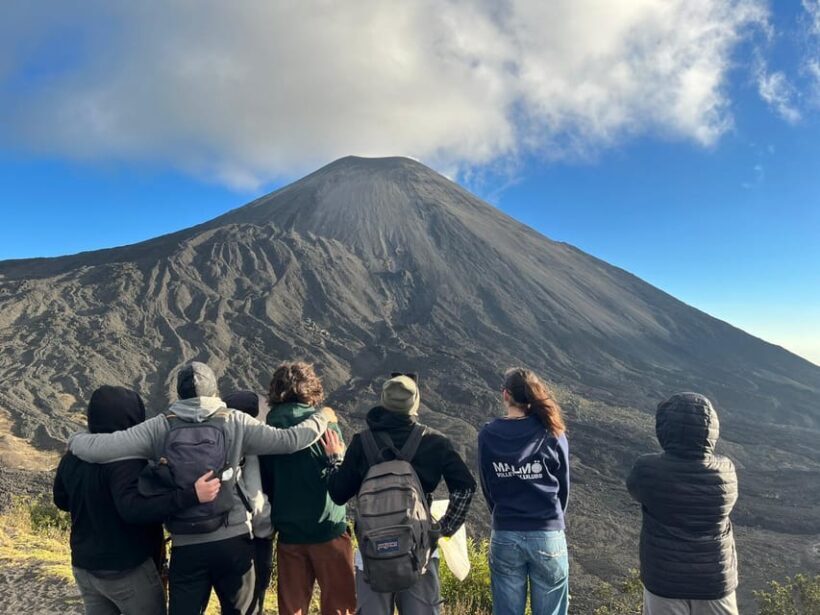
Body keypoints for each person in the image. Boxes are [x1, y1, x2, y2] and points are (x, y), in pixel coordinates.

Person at [69, 362, 334, 615]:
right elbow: (290, 440)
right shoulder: (235, 421)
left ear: (179, 393)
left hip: (187, 545)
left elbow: (106, 447)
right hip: (234, 541)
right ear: (215, 391)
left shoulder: (160, 426)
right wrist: (322, 416)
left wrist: (76, 440)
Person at [54, 385, 221, 615]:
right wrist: (190, 496)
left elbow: (61, 500)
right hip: (127, 569)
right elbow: (135, 510)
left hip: (85, 567)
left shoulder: (74, 456)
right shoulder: (127, 462)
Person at [322, 373, 476, 615]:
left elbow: (338, 494)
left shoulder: (362, 443)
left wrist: (335, 461)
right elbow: (465, 487)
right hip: (419, 554)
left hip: (371, 554)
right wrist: (443, 529)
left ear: (382, 401)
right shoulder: (435, 442)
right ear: (415, 404)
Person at [627, 392, 739, 615]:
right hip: (715, 580)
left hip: (664, 581)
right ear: (711, 429)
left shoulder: (647, 469)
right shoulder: (727, 470)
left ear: (666, 429)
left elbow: (635, 489)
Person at [258, 362, 356, 615]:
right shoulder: (326, 427)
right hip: (328, 529)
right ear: (310, 389)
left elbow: (265, 481)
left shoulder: (267, 431)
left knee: (292, 608)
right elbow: (343, 479)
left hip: (289, 532)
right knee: (339, 606)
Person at [478, 368, 570, 615]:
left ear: (505, 395)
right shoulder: (552, 431)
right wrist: (553, 519)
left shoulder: (488, 434)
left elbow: (487, 485)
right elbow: (563, 486)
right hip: (547, 532)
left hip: (506, 532)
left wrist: (502, 513)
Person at [222, 390, 275, 615]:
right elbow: (257, 501)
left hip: (220, 535)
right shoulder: (256, 449)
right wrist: (267, 531)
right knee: (251, 603)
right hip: (253, 538)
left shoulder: (218, 442)